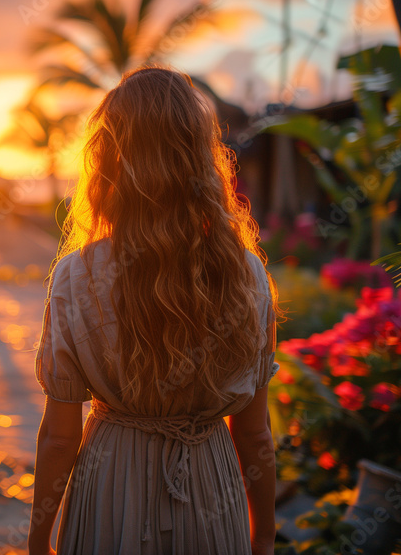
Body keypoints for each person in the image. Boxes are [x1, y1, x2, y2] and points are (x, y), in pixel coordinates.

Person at [28, 67, 277, 555]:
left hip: (111, 484)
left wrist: (39, 540)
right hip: (212, 485)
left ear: (109, 158)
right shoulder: (247, 274)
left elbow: (59, 439)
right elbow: (255, 435)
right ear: (201, 156)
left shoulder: (76, 276)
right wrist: (263, 538)